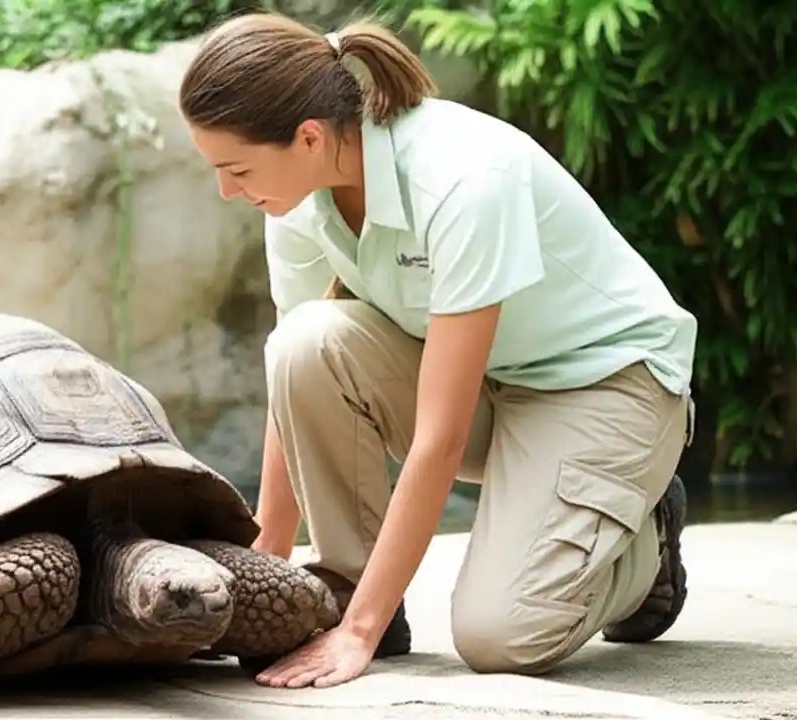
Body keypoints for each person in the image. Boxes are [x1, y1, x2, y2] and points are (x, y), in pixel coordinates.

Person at [177, 11, 698, 690]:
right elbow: (293, 379)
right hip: (497, 383)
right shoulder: (298, 196)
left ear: (307, 137)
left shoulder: (462, 180)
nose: (227, 190)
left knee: (501, 636)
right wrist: (265, 568)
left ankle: (644, 544)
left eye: (236, 168)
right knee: (304, 340)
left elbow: (440, 438)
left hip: (608, 384)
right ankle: (350, 585)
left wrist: (355, 638)